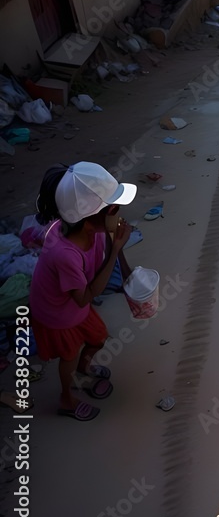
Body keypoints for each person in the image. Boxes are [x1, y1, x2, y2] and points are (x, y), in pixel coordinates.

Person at [29, 162, 135, 421]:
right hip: (58, 315)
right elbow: (85, 297)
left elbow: (109, 251)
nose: (118, 212)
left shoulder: (93, 230)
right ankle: (66, 398)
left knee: (98, 338)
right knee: (68, 355)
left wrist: (125, 266)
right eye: (114, 208)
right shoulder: (64, 253)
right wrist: (116, 254)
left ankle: (83, 370)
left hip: (76, 307)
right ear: (95, 217)